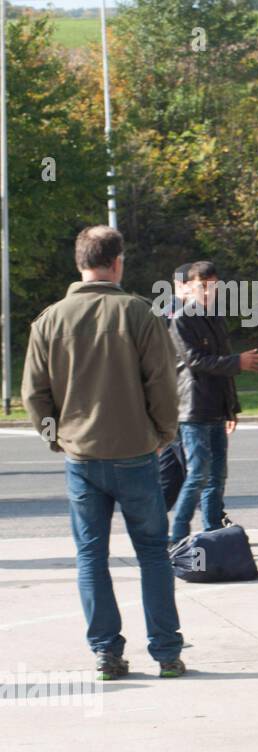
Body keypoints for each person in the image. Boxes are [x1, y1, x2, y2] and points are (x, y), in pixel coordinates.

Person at [21, 225, 187, 679]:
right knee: (152, 552)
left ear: (80, 262)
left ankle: (106, 653)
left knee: (91, 555)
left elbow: (34, 394)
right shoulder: (139, 314)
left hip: (82, 457)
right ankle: (167, 652)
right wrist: (162, 433)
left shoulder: (50, 319)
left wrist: (56, 436)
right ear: (117, 263)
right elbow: (163, 385)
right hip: (136, 452)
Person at [169, 261, 258, 543]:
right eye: (203, 286)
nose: (209, 292)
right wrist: (239, 361)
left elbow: (222, 367)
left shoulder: (216, 318)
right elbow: (196, 361)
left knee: (217, 475)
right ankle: (178, 532)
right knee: (198, 472)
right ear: (187, 288)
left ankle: (213, 532)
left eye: (214, 286)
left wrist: (231, 407)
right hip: (193, 408)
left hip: (214, 407)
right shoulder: (181, 319)